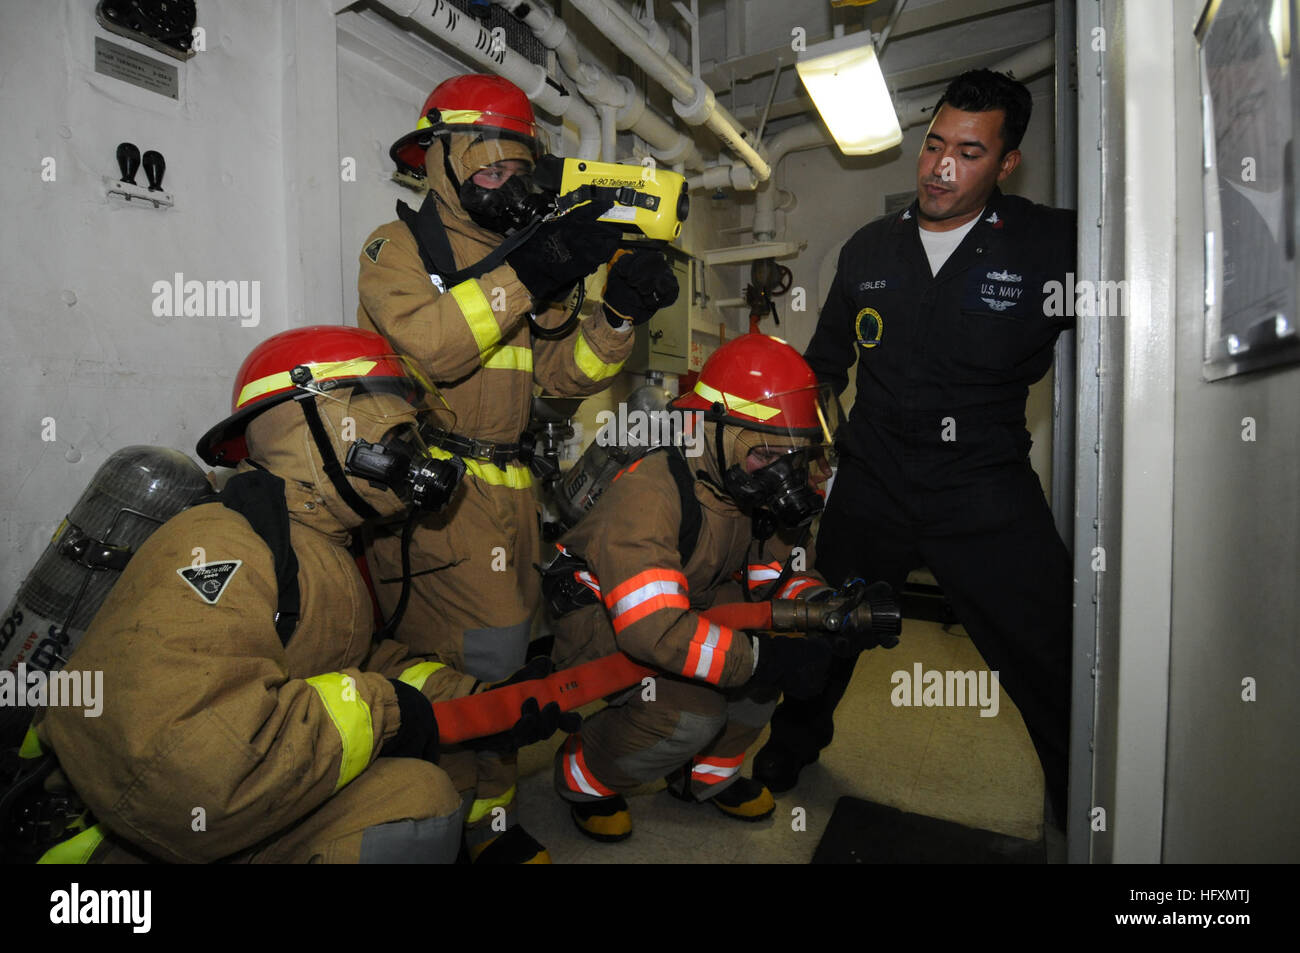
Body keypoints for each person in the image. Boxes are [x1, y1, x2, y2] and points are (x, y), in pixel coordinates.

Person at [12, 326, 490, 863]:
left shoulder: (317, 541)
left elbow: (342, 655)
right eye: (392, 427)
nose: (410, 451)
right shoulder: (220, 546)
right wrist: (388, 710)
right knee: (416, 802)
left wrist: (483, 699)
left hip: (226, 811)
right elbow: (190, 769)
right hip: (146, 840)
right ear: (313, 428)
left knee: (450, 757)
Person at [357, 73, 678, 862]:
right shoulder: (396, 248)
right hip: (436, 490)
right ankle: (461, 821)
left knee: (498, 666)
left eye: (515, 168)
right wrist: (532, 268)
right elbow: (432, 346)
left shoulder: (531, 252)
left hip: (512, 488)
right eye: (486, 165)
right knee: (472, 670)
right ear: (438, 159)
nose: (503, 182)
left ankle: (481, 815)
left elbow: (559, 380)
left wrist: (619, 315)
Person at [756, 69, 1077, 826]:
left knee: (1050, 649)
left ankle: (1081, 791)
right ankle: (793, 740)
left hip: (984, 486)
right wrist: (803, 441)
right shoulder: (871, 249)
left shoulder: (1050, 244)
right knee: (824, 626)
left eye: (969, 152)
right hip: (873, 480)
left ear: (1006, 165)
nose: (940, 167)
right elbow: (825, 363)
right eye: (935, 144)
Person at [541, 334, 850, 841]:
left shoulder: (740, 477)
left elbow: (776, 579)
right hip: (604, 619)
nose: (783, 474)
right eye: (768, 454)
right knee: (691, 713)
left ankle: (704, 777)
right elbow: (653, 627)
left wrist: (826, 612)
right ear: (715, 427)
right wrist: (755, 657)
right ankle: (585, 774)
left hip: (684, 599)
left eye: (792, 456)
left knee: (770, 660)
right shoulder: (651, 487)